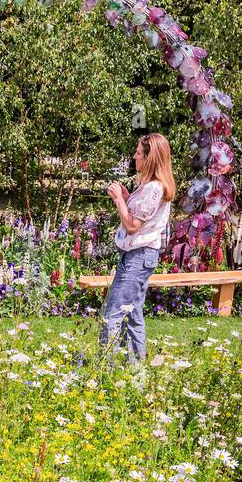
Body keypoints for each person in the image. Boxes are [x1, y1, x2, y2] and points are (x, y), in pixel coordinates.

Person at [99, 132, 176, 361]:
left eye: (138, 153)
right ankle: (135, 366)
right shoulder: (148, 186)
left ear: (150, 158)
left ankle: (106, 367)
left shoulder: (154, 188)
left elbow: (133, 226)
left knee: (112, 312)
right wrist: (126, 196)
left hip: (138, 256)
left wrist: (119, 201)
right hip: (139, 256)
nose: (134, 157)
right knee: (133, 314)